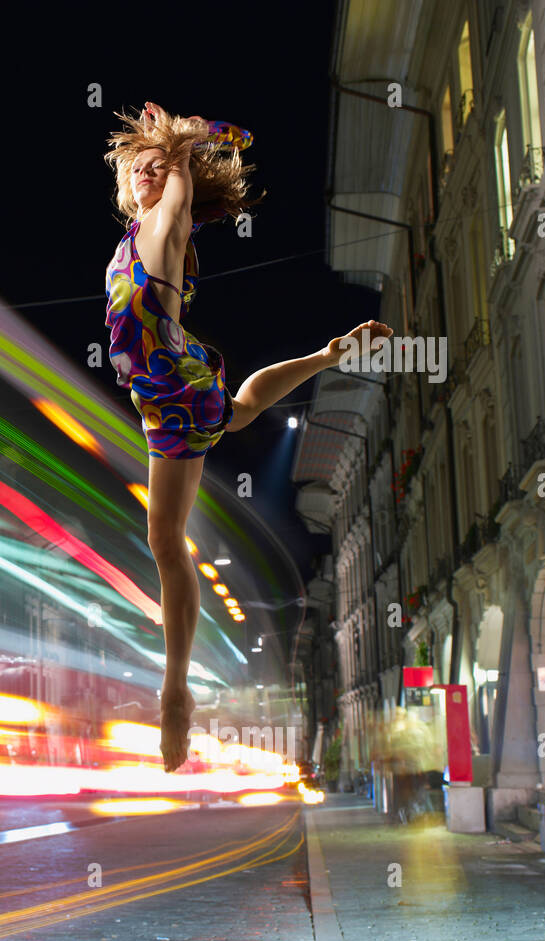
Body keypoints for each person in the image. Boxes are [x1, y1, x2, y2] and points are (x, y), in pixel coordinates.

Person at [104, 103, 393, 770]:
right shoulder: (130, 238)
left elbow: (181, 180)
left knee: (168, 536)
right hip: (167, 394)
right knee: (230, 418)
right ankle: (328, 354)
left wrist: (187, 139)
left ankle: (175, 691)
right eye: (135, 167)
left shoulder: (164, 226)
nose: (146, 172)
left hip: (171, 383)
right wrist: (178, 138)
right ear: (124, 186)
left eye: (156, 166)